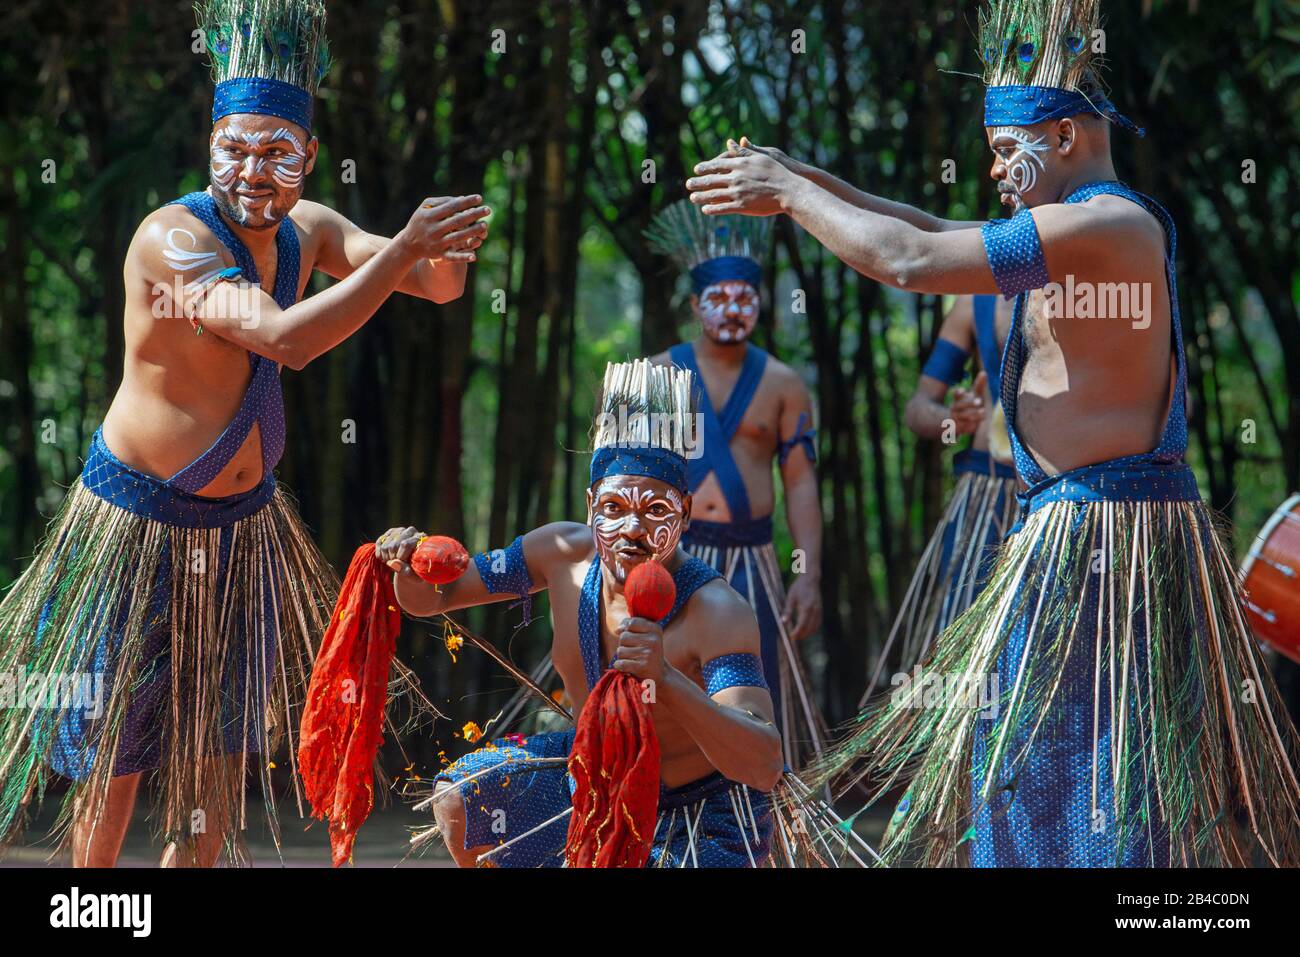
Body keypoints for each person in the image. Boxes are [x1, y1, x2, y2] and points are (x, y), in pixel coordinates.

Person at [685, 0, 1300, 866]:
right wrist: (800, 174)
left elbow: (908, 261)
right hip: (1079, 527)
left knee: (1088, 770)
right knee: (1031, 763)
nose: (997, 173)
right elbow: (929, 229)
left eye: (1009, 152)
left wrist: (788, 197)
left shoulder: (1111, 223)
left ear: (1066, 135)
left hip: (1106, 536)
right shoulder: (1072, 226)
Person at [0, 0, 489, 867]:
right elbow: (284, 339)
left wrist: (447, 245)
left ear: (307, 154)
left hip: (239, 533)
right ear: (209, 142)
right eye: (235, 147)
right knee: (114, 757)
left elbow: (442, 287)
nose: (252, 171)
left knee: (215, 759)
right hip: (137, 525)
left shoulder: (312, 232)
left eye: (276, 152)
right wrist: (406, 245)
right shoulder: (171, 241)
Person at [379, 360, 784, 867]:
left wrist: (666, 678)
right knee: (465, 799)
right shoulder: (559, 555)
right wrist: (408, 569)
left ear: (685, 509)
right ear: (591, 503)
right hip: (593, 780)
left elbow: (764, 763)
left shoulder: (717, 611)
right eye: (615, 509)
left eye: (655, 511)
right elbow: (433, 600)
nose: (633, 529)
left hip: (700, 814)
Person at [644, 199, 828, 770]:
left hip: (754, 563)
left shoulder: (783, 384)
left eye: (744, 297)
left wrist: (807, 576)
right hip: (674, 557)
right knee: (667, 683)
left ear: (761, 302)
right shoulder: (655, 375)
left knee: (753, 691)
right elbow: (625, 478)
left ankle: (759, 825)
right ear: (695, 304)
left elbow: (800, 485)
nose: (732, 308)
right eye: (717, 299)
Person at [860, 294, 1018, 704]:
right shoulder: (976, 305)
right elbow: (919, 407)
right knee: (967, 637)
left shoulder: (1100, 283)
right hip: (988, 494)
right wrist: (952, 419)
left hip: (1080, 494)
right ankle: (962, 760)